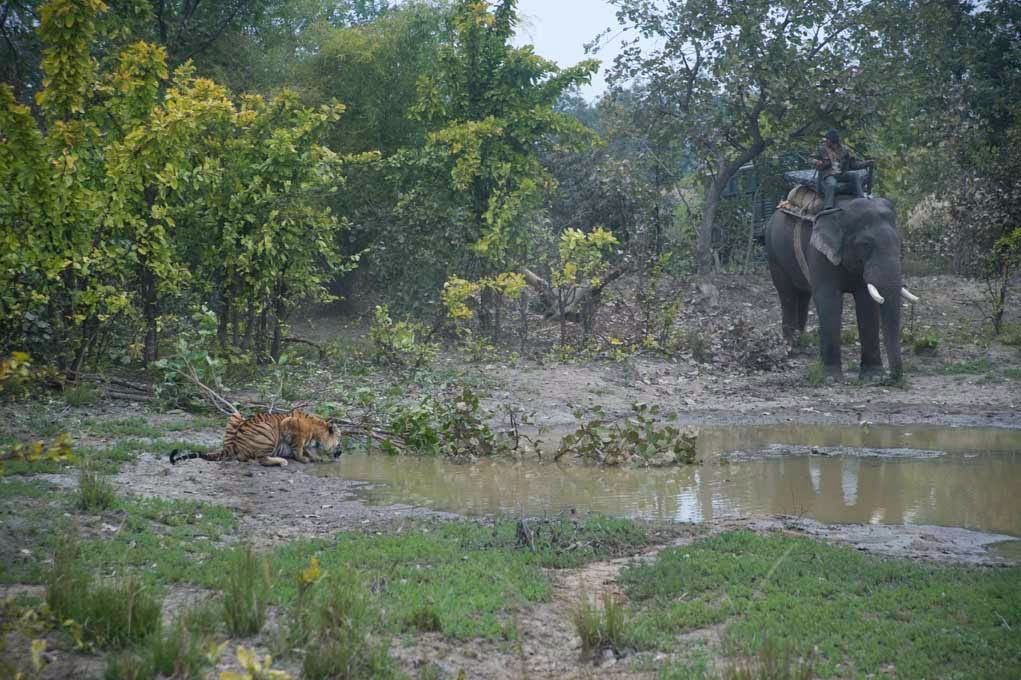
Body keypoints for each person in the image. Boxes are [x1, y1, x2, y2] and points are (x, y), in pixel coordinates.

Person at [813, 129, 875, 210]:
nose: (826, 141)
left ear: (832, 140)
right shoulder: (822, 149)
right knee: (832, 184)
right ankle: (828, 207)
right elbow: (810, 158)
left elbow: (854, 164)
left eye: (827, 139)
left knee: (855, 175)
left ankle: (860, 198)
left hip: (841, 174)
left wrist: (866, 163)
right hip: (828, 174)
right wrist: (816, 161)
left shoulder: (844, 149)